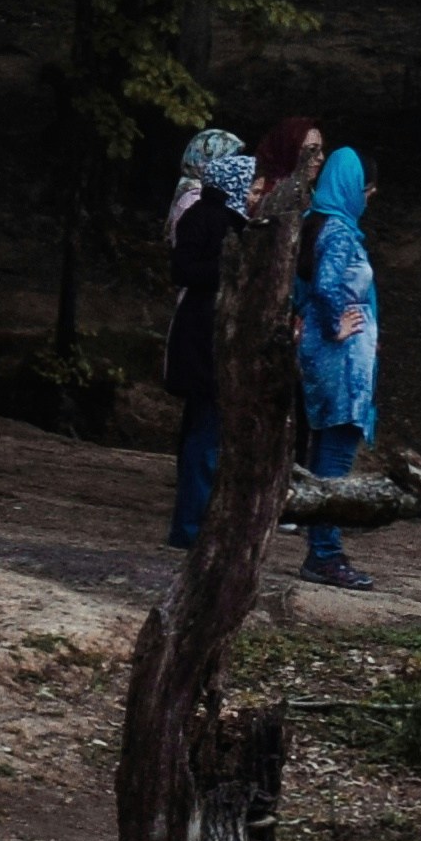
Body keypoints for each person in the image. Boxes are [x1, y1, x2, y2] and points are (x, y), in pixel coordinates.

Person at [160, 129, 259, 548]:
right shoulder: (210, 218)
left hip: (206, 336)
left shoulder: (230, 220)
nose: (258, 195)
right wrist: (232, 267)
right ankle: (190, 528)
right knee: (205, 431)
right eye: (253, 187)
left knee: (205, 428)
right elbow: (183, 269)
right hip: (205, 338)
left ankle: (195, 523)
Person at [294, 140, 383, 590]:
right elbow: (328, 289)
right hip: (340, 366)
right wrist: (337, 327)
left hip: (331, 361)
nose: (369, 198)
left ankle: (322, 549)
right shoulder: (339, 232)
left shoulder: (317, 225)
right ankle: (324, 554)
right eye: (367, 190)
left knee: (324, 453)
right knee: (333, 459)